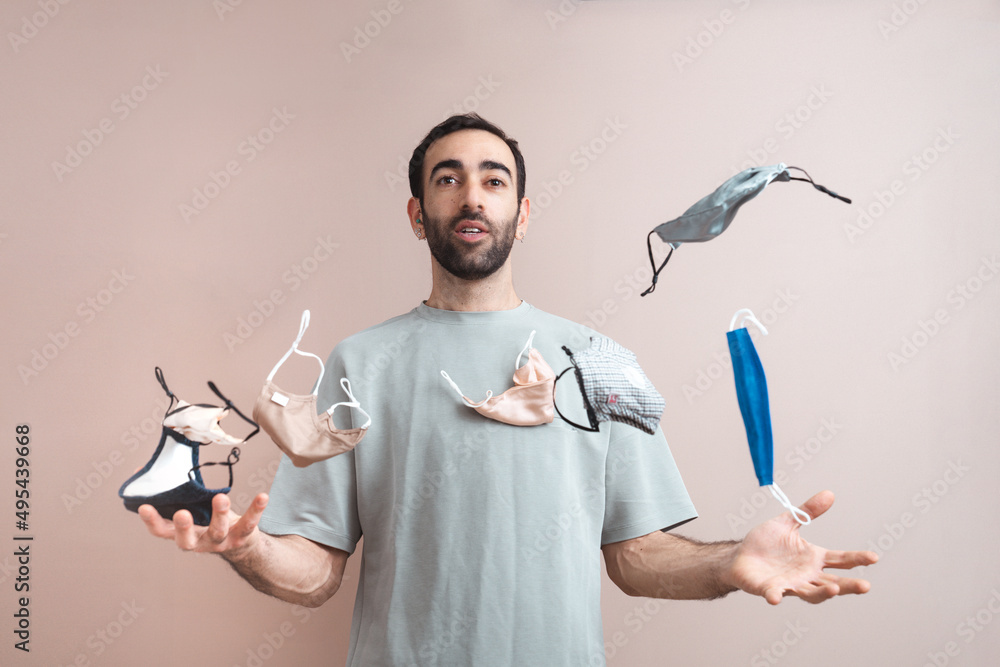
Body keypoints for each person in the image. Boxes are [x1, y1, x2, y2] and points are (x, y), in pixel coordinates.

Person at [140, 113, 878, 666]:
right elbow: (316, 571)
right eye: (448, 177)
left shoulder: (604, 360)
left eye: (495, 180)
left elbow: (638, 556)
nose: (472, 195)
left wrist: (728, 563)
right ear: (416, 213)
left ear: (522, 215)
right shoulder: (356, 362)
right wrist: (247, 551)